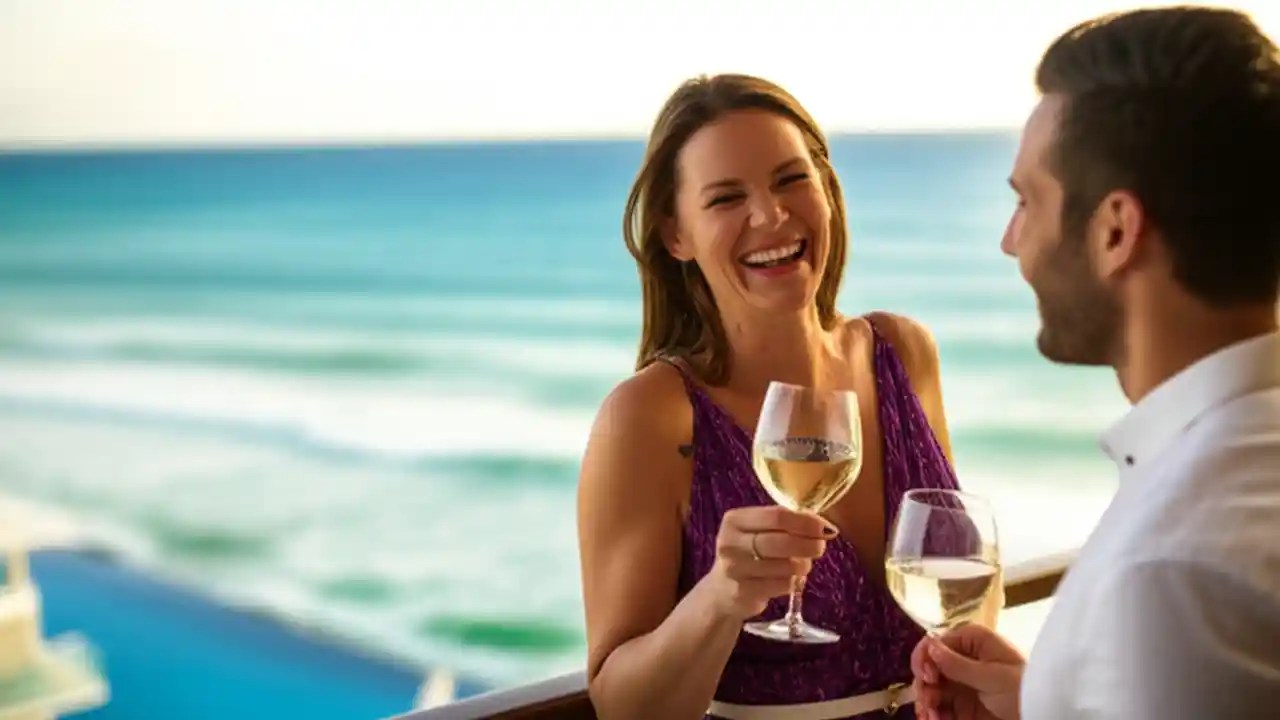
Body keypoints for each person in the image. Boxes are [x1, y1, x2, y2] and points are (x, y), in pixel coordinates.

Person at [577, 73, 997, 720]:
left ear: (827, 191)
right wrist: (720, 598)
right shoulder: (650, 415)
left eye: (790, 180)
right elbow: (622, 705)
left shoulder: (903, 354)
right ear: (676, 235)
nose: (771, 215)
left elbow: (963, 574)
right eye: (725, 198)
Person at [910, 7, 1280, 720]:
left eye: (1028, 202)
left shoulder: (1167, 574)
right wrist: (1053, 698)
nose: (1011, 241)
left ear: (1115, 231)